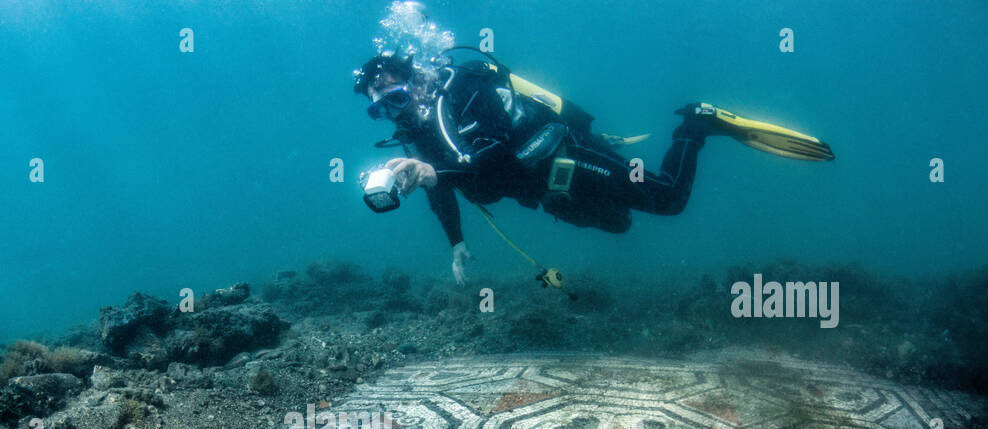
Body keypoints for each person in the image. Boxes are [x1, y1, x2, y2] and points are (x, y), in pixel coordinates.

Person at [354, 49, 834, 285]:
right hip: (548, 193)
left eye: (395, 99)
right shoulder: (416, 134)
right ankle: (682, 139)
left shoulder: (465, 92)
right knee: (619, 225)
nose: (393, 113)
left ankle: (696, 125)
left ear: (415, 82)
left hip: (568, 160)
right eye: (380, 109)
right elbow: (439, 187)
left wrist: (436, 174)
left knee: (667, 200)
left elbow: (494, 163)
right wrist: (456, 243)